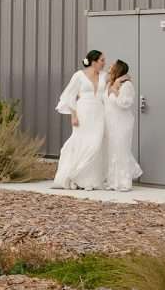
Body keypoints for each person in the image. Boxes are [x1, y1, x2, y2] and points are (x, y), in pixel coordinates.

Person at [53, 50, 107, 190]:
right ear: (94, 61)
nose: (104, 63)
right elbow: (68, 96)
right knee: (80, 143)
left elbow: (108, 93)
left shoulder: (104, 76)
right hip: (83, 113)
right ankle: (74, 177)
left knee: (96, 144)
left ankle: (91, 179)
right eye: (102, 60)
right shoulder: (79, 76)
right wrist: (74, 116)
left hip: (99, 114)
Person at [103, 59, 143, 191]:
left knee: (121, 150)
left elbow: (124, 103)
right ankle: (113, 182)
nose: (110, 66)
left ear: (118, 68)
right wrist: (114, 84)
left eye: (112, 65)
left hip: (122, 123)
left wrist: (115, 90)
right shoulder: (109, 83)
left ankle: (124, 182)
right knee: (112, 151)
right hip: (110, 123)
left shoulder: (127, 85)